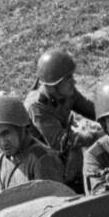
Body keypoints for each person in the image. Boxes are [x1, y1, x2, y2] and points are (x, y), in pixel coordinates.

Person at [25, 49, 98, 191]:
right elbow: (61, 143)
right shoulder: (37, 106)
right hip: (42, 163)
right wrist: (96, 135)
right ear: (53, 86)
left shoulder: (65, 92)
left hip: (62, 155)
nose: (74, 81)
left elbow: (92, 110)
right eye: (68, 78)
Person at [0, 94, 66, 192]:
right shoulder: (2, 160)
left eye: (6, 133)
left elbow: (52, 204)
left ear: (21, 129)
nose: (2, 142)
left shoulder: (43, 159)